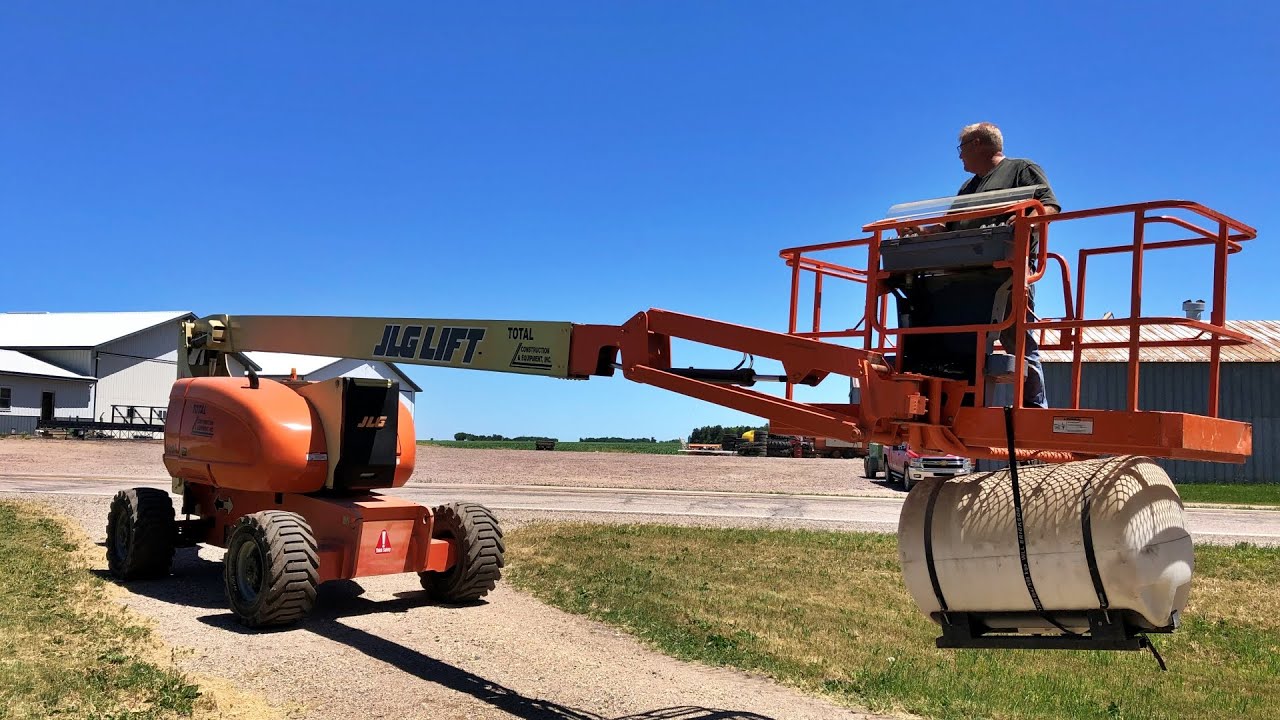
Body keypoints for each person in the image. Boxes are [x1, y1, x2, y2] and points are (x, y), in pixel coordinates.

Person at [904, 122, 1059, 408]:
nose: (960, 156)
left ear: (977, 144)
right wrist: (920, 232)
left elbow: (1049, 207)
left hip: (1008, 272)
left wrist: (1026, 220)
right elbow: (948, 227)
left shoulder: (1021, 169)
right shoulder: (968, 187)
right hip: (967, 276)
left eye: (961, 148)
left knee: (1019, 340)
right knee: (963, 342)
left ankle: (1035, 407)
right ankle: (961, 402)